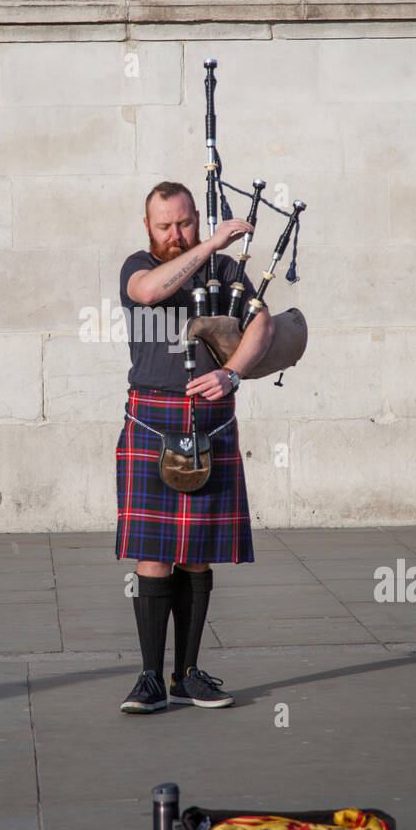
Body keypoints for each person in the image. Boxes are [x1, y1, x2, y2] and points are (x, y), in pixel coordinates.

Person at [115, 182, 273, 715]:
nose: (175, 234)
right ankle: (149, 679)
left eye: (184, 223)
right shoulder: (137, 265)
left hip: (209, 421)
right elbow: (151, 292)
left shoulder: (226, 274)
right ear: (148, 226)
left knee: (198, 556)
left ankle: (187, 674)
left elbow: (263, 324)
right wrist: (210, 246)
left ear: (194, 217)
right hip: (154, 420)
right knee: (155, 554)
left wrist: (232, 373)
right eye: (165, 226)